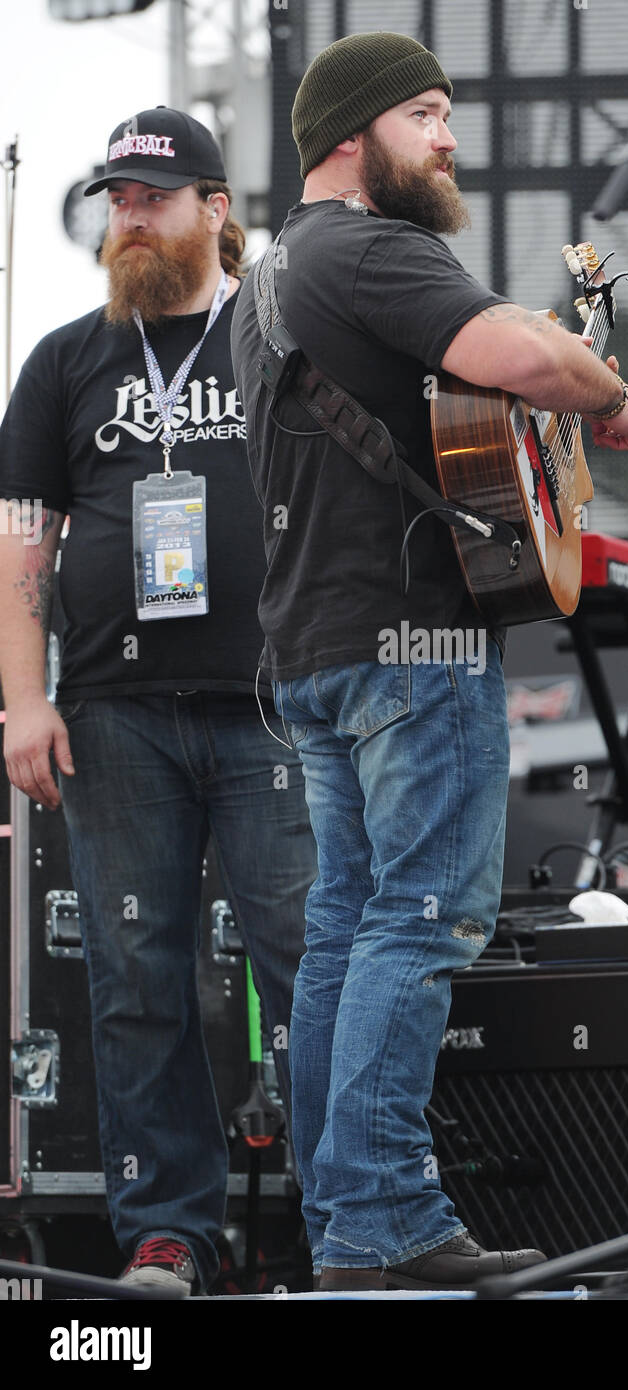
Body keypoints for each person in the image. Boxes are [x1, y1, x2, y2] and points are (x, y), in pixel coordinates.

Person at [231, 32, 628, 1292]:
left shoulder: (265, 277)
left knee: (354, 935)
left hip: (311, 654)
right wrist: (604, 394)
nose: (449, 137)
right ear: (353, 135)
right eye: (424, 112)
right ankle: (385, 1225)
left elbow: (449, 412)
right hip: (409, 655)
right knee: (422, 926)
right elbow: (523, 359)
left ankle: (344, 1228)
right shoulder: (374, 246)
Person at [0, 107, 316, 1296]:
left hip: (273, 703)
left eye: (155, 198)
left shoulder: (282, 338)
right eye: (118, 202)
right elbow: (20, 540)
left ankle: (344, 1221)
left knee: (304, 963)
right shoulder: (65, 361)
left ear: (216, 211)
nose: (130, 219)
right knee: (138, 977)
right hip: (118, 712)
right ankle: (168, 1235)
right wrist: (24, 699)